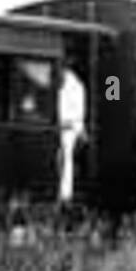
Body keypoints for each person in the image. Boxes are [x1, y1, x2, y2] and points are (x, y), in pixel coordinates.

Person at [58, 65, 87, 204]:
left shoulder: (76, 87)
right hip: (63, 126)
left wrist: (79, 129)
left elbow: (78, 113)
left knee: (66, 158)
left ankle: (65, 194)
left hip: (68, 128)